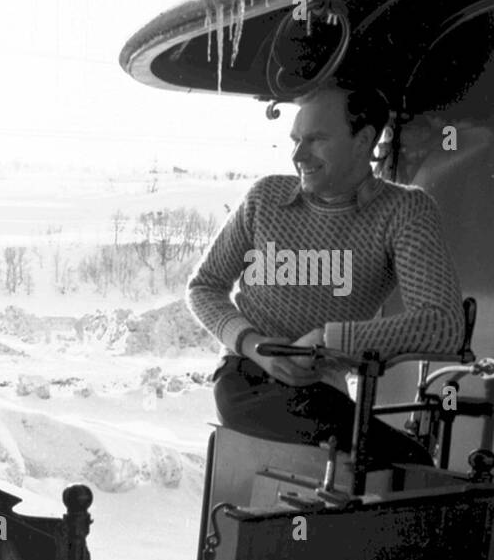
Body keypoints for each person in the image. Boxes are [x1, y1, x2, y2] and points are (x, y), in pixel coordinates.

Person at [187, 83, 465, 467]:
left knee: (411, 464)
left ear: (364, 139)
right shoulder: (265, 198)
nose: (298, 154)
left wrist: (326, 340)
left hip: (322, 390)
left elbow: (443, 323)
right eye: (296, 139)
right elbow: (204, 287)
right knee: (412, 463)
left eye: (315, 139)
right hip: (246, 379)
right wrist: (253, 345)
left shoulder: (405, 211)